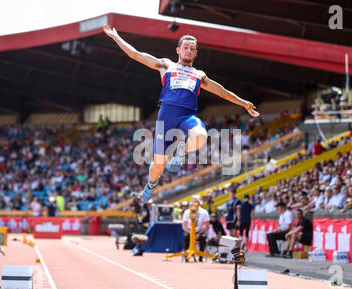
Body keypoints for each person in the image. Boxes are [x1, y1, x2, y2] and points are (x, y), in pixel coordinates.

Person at [102, 25, 260, 203]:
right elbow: (135, 54)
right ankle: (151, 184)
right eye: (186, 47)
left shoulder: (199, 74)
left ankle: (181, 152)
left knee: (201, 136)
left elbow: (221, 91)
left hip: (187, 117)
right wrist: (116, 37)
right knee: (158, 165)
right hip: (166, 118)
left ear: (195, 53)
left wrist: (244, 103)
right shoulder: (166, 65)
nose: (189, 50)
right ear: (178, 50)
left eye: (192, 48)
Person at [181, 195, 210, 262]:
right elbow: (184, 226)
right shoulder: (187, 212)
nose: (193, 203)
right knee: (186, 236)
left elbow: (206, 225)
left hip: (199, 231)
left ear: (199, 203)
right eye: (192, 202)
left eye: (195, 202)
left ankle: (201, 257)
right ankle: (186, 255)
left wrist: (199, 233)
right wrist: (191, 233)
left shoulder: (204, 212)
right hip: (189, 231)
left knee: (203, 237)